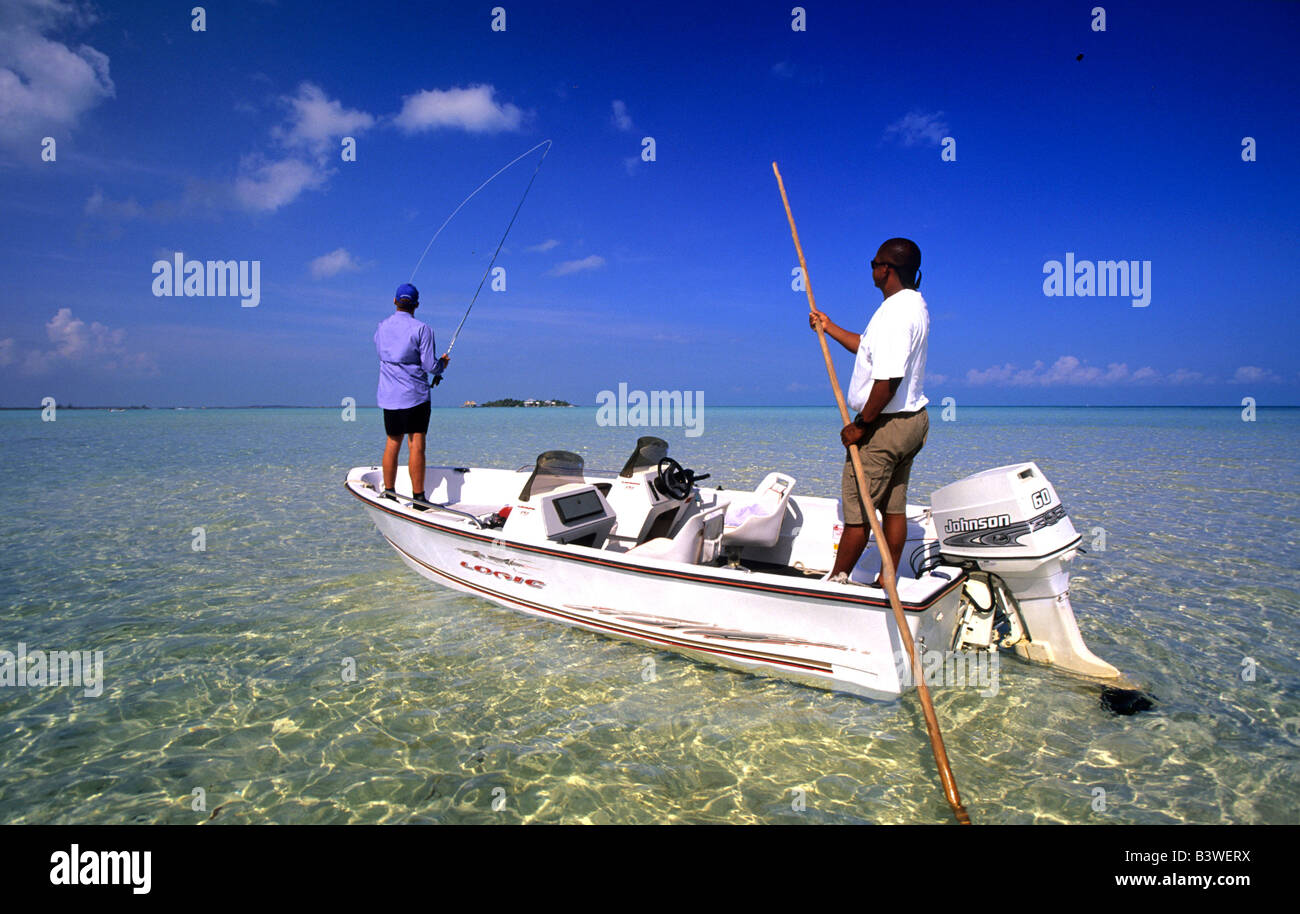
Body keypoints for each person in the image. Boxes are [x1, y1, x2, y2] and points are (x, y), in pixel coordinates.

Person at [809, 238, 929, 586]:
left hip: (886, 425)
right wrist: (828, 327)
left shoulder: (895, 315)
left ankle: (837, 581)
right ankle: (885, 580)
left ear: (886, 269)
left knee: (859, 513)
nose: (872, 269)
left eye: (873, 263)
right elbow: (868, 349)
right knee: (893, 507)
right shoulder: (913, 304)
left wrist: (861, 425)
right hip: (912, 422)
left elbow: (888, 379)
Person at [375, 282, 448, 509]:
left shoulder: (381, 327)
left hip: (389, 396)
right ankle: (418, 499)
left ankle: (389, 493)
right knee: (416, 444)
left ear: (395, 301)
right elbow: (429, 365)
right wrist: (442, 365)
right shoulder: (423, 329)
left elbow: (382, 352)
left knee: (392, 442)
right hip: (415, 396)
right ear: (416, 305)